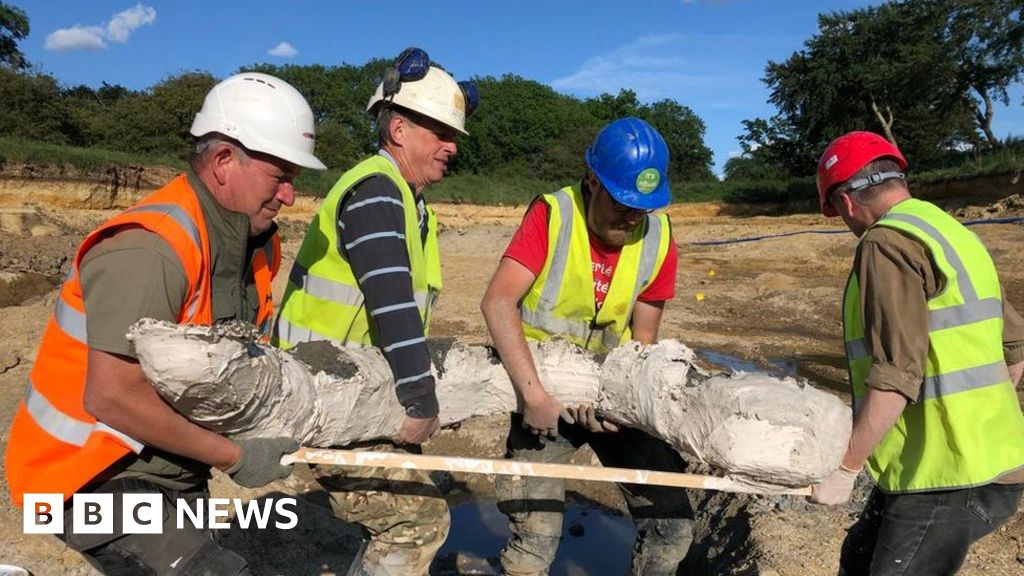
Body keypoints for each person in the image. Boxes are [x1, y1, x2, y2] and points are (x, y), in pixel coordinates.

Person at [4, 72, 326, 574]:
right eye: (279, 175)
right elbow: (111, 396)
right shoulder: (151, 247)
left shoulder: (254, 245)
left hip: (169, 463)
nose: (290, 194)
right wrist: (234, 457)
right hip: (85, 473)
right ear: (223, 162)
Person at [274, 47, 477, 575]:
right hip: (325, 389)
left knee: (406, 514)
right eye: (441, 132)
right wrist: (419, 397)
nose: (452, 146)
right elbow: (390, 300)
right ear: (400, 130)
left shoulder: (404, 196)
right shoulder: (377, 191)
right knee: (419, 522)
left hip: (347, 379)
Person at [480, 117, 694, 576]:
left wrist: (621, 407)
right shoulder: (554, 215)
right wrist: (535, 397)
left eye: (643, 208)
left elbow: (644, 340)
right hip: (542, 396)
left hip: (612, 399)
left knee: (672, 526)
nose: (633, 218)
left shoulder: (658, 237)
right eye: (622, 204)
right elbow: (498, 301)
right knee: (534, 543)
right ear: (592, 180)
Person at [809, 131, 1024, 575]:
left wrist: (847, 467)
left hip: (946, 474)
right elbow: (1016, 351)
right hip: (992, 461)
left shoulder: (884, 243)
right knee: (859, 559)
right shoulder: (950, 231)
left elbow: (895, 375)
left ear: (846, 203)